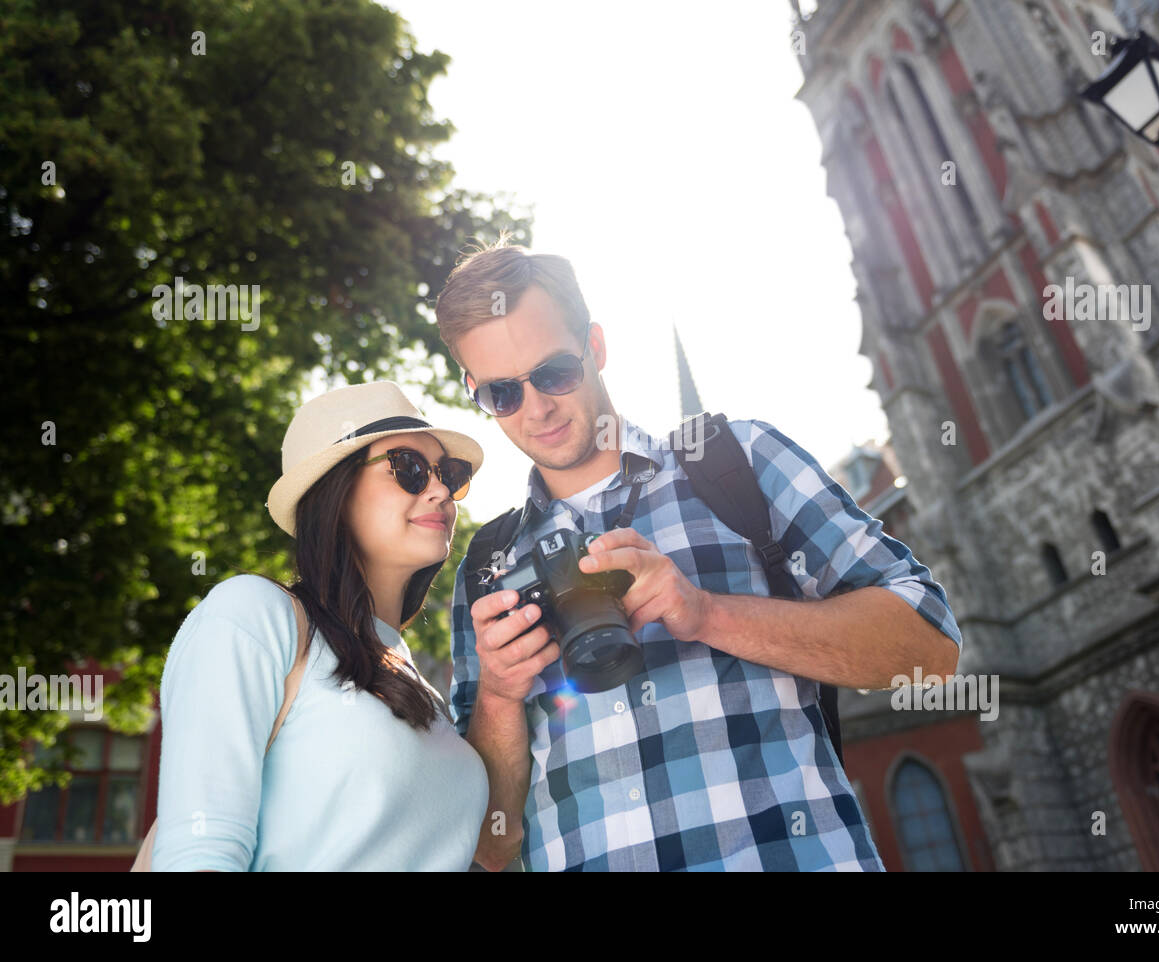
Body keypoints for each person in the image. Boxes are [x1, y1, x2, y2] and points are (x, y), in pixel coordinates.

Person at [436, 238, 964, 871]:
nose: (537, 407)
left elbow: (931, 653)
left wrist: (706, 612)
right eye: (502, 394)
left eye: (554, 373)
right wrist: (498, 695)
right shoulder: (487, 567)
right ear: (475, 391)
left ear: (595, 347)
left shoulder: (738, 462)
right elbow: (493, 847)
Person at [148, 380, 490, 870]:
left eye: (449, 473)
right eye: (409, 469)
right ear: (335, 490)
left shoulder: (428, 698)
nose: (440, 490)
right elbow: (201, 854)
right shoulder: (253, 614)